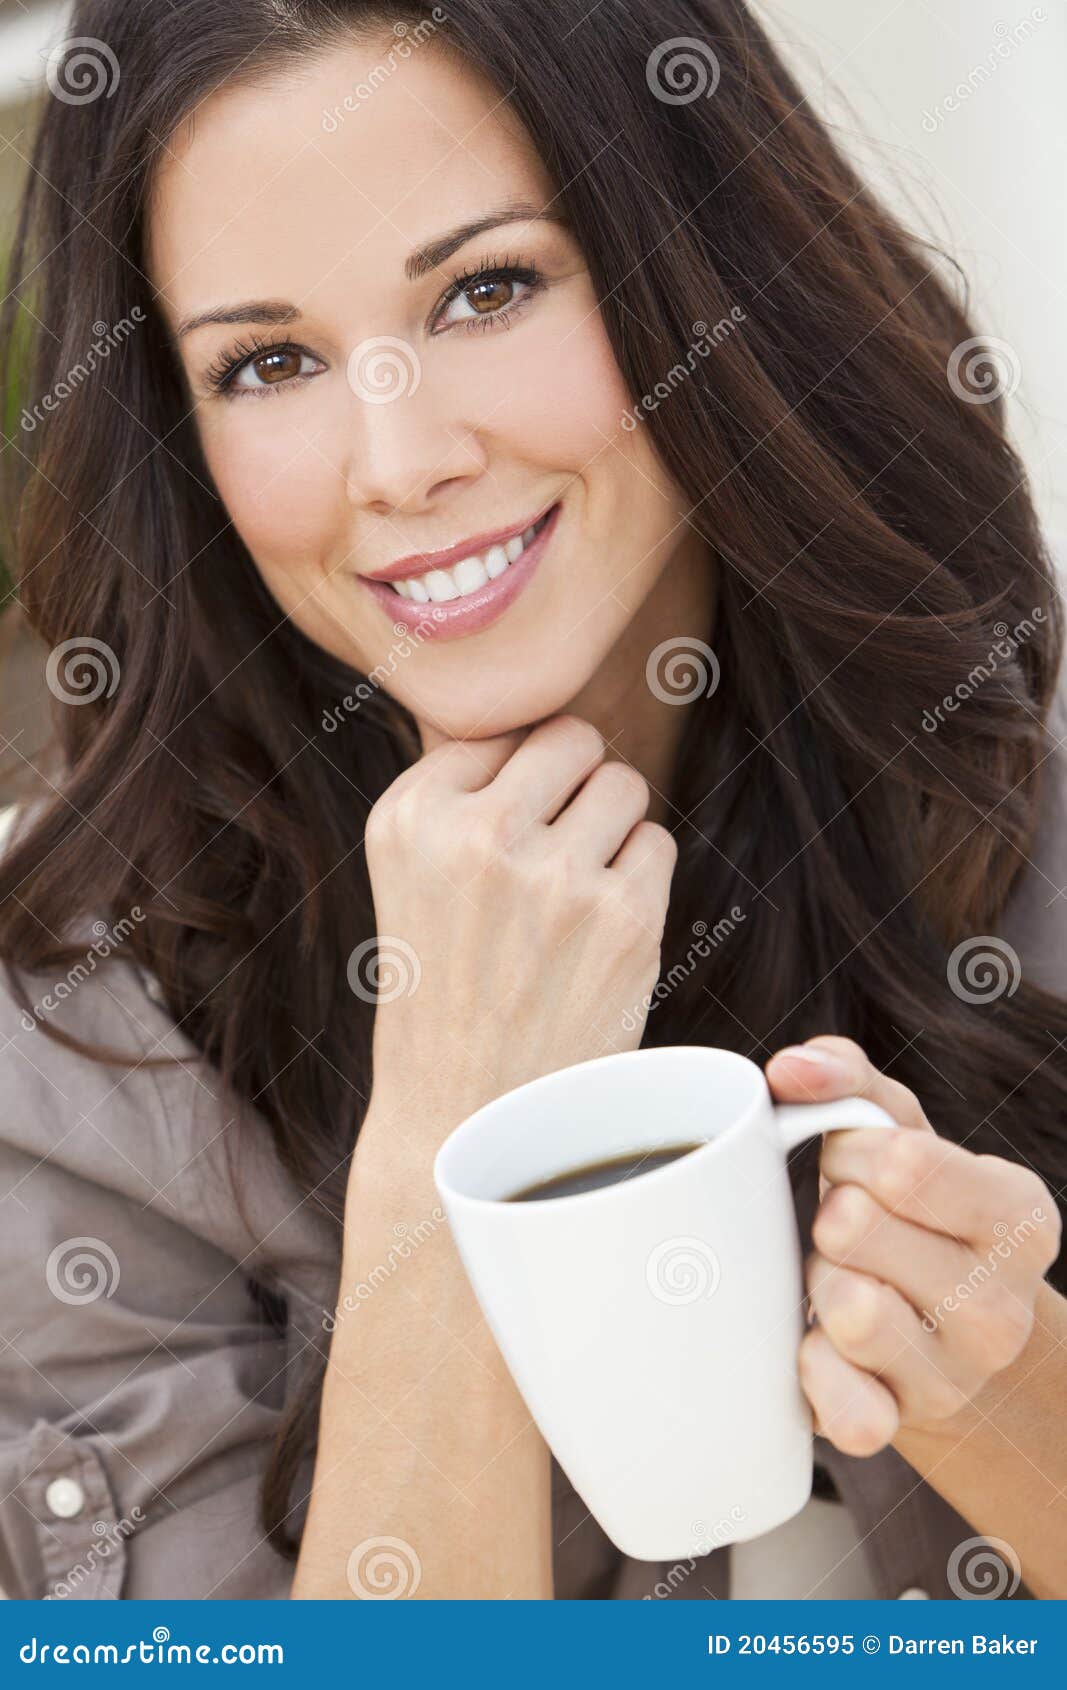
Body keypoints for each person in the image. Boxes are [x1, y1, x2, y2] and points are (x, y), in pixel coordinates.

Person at [0, 0, 1064, 1601]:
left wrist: (1002, 1386)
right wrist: (448, 1136)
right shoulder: (70, 1065)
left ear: (705, 267)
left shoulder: (1019, 809)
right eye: (268, 362)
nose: (399, 461)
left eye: (486, 289)